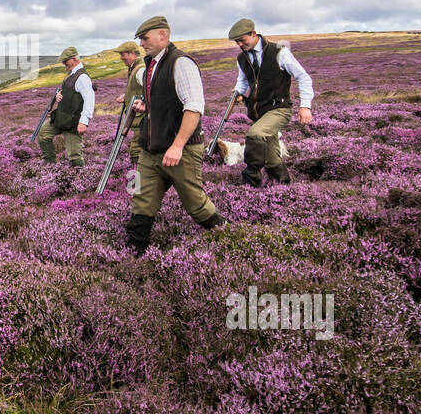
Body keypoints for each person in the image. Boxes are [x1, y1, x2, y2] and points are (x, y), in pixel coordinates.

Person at [125, 16, 226, 256]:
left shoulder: (181, 63)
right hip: (151, 150)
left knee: (195, 204)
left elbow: (193, 107)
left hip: (180, 151)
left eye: (145, 38)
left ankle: (228, 235)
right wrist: (146, 106)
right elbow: (165, 102)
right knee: (141, 199)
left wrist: (178, 145)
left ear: (163, 35)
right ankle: (132, 253)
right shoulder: (150, 64)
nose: (141, 44)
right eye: (140, 39)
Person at [227, 18, 313, 187]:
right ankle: (282, 184)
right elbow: (243, 80)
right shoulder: (242, 58)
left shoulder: (279, 52)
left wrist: (305, 106)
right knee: (271, 155)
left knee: (255, 134)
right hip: (259, 112)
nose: (239, 45)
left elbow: (303, 77)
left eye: (242, 40)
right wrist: (238, 92)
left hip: (279, 109)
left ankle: (250, 181)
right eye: (236, 42)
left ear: (253, 34)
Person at [36, 46, 95, 167]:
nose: (64, 64)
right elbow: (67, 90)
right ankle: (50, 166)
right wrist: (59, 94)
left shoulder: (82, 77)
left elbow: (89, 98)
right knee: (43, 133)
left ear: (74, 59)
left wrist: (84, 121)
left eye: (66, 61)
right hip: (61, 117)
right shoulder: (70, 75)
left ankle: (80, 179)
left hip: (73, 122)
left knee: (74, 155)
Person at [115, 40, 146, 168]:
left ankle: (139, 182)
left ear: (133, 54)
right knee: (136, 151)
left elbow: (152, 88)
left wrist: (144, 101)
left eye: (123, 55)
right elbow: (139, 88)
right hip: (138, 121)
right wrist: (127, 96)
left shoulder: (140, 69)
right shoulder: (134, 68)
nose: (122, 58)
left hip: (141, 121)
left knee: (136, 152)